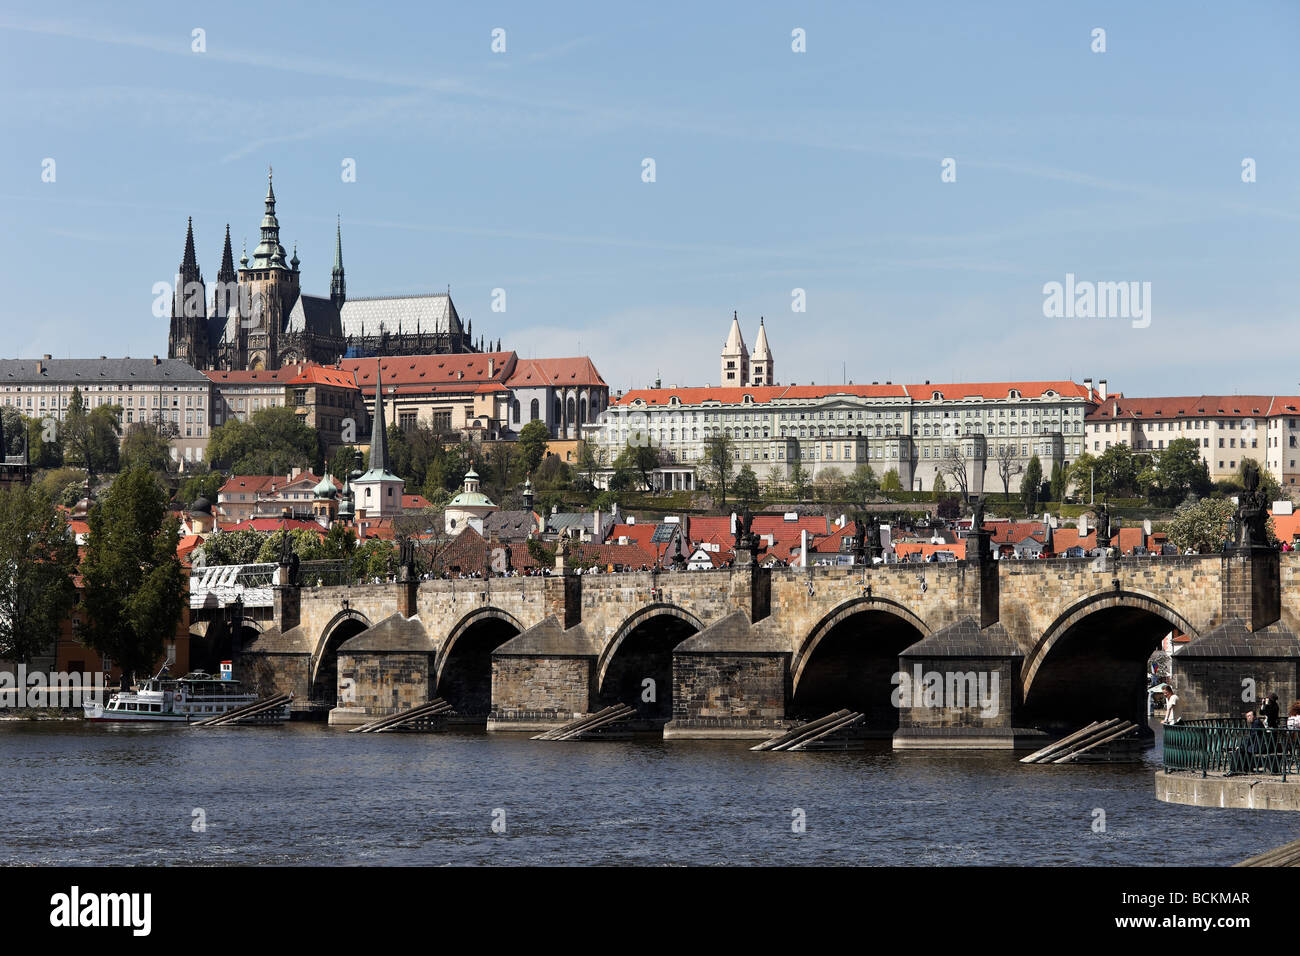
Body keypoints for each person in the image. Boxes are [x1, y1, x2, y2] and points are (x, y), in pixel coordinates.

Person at [1225, 709, 1267, 776]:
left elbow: (1252, 737)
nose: (1248, 718)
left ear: (1254, 716)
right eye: (1247, 716)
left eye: (1250, 716)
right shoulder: (1256, 722)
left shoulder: (1256, 723)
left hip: (1258, 746)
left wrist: (1241, 746)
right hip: (1256, 745)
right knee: (1241, 751)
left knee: (1238, 751)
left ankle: (1233, 770)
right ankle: (1244, 768)